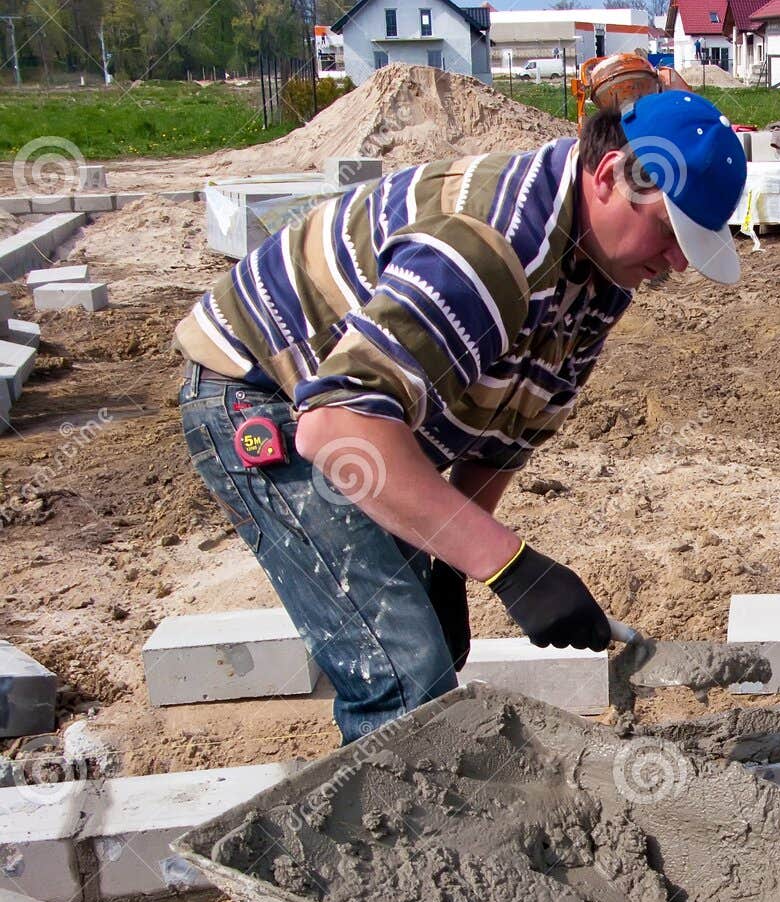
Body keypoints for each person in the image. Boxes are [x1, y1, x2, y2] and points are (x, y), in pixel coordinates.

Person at [171, 91, 747, 742]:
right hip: (263, 395)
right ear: (611, 173)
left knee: (424, 642)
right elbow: (335, 428)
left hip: (365, 412)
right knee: (402, 668)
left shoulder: (602, 278)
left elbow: (508, 430)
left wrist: (447, 563)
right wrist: (512, 567)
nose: (676, 262)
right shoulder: (487, 249)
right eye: (670, 232)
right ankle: (396, 840)